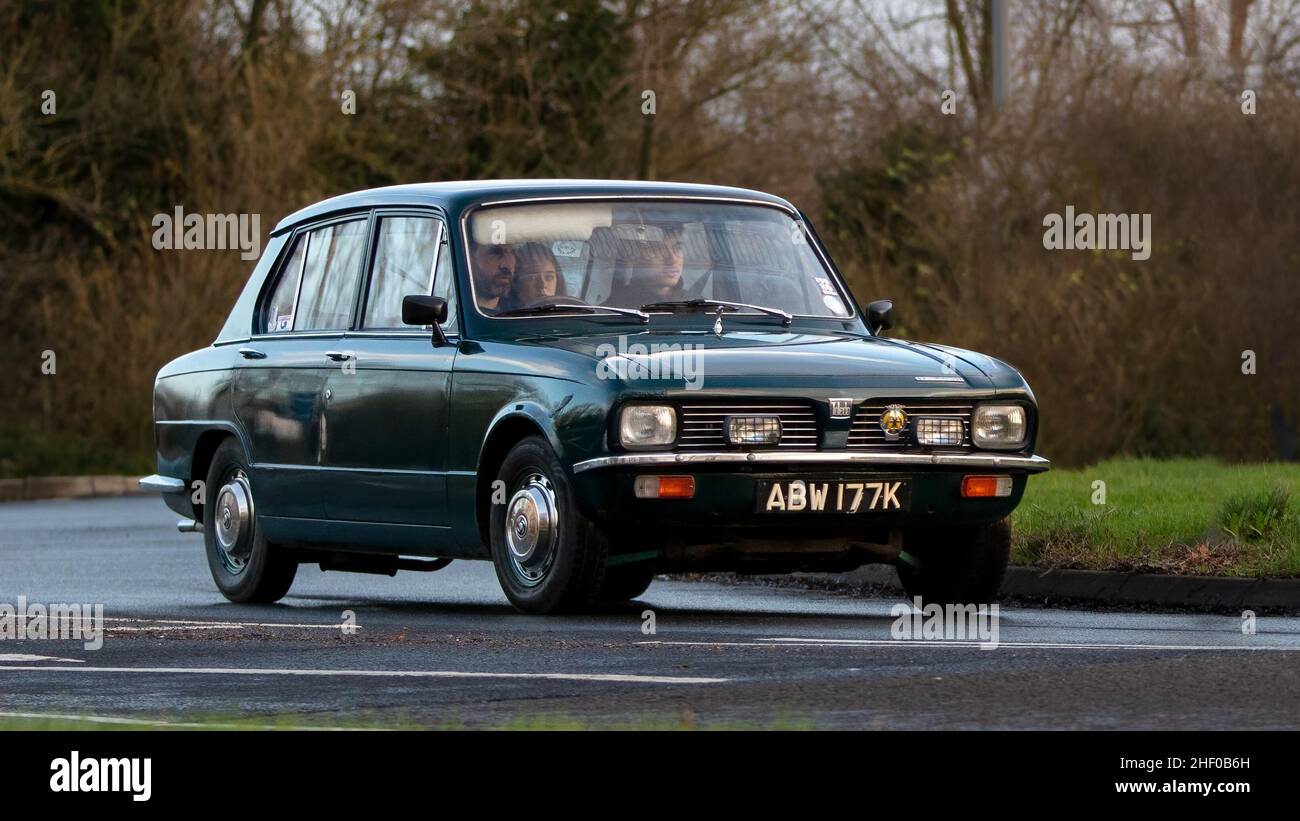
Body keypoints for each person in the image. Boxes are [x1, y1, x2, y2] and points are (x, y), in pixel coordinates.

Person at [605, 224, 687, 308]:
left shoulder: (695, 304)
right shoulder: (614, 309)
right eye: (658, 249)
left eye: (678, 248)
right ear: (634, 258)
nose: (672, 259)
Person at [504, 242, 566, 310]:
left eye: (549, 277)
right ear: (517, 284)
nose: (542, 285)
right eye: (532, 278)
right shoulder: (505, 317)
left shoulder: (571, 314)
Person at [469, 240, 516, 314]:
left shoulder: (520, 313)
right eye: (495, 252)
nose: (507, 265)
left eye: (513, 253)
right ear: (471, 260)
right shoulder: (461, 314)